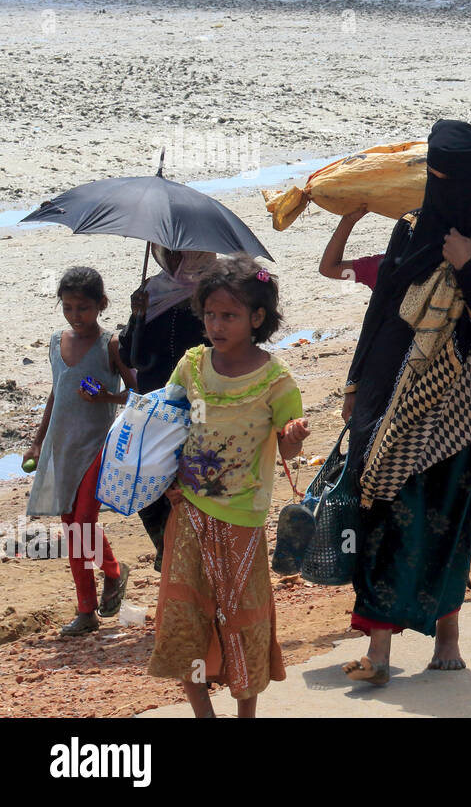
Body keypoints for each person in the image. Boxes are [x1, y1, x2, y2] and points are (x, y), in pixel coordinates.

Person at [340, 120, 471, 685]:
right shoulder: (410, 229)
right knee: (381, 512)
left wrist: (467, 266)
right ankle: (378, 649)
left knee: (447, 517)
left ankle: (447, 630)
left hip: (462, 403)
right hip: (389, 391)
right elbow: (380, 311)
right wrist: (355, 385)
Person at [147, 255, 308, 716]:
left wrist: (292, 438)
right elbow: (166, 421)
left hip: (241, 520)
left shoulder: (277, 382)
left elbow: (288, 450)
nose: (217, 325)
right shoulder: (193, 365)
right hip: (190, 512)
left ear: (257, 318)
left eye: (230, 316)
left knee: (241, 620)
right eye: (211, 314)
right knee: (185, 616)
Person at [24, 267, 134, 637]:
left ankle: (114, 572)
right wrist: (38, 442)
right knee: (71, 529)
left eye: (83, 308)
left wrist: (107, 396)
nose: (76, 315)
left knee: (84, 521)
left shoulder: (111, 345)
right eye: (68, 307)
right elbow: (56, 395)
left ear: (101, 304)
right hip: (62, 445)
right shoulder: (58, 342)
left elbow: (137, 393)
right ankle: (86, 609)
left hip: (98, 445)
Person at [119, 245, 212, 570]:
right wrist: (138, 315)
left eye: (180, 252)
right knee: (147, 486)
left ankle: (192, 562)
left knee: (189, 487)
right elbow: (131, 357)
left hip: (197, 409)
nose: (172, 259)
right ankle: (167, 549)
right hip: (156, 407)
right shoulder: (152, 291)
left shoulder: (212, 292)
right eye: (165, 252)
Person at [318, 205, 385, 290]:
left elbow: (329, 269)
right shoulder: (383, 266)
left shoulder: (384, 266)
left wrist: (348, 221)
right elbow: (328, 269)